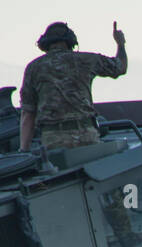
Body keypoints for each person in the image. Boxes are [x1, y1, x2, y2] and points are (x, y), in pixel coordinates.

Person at [19, 21, 127, 152]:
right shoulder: (87, 60)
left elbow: (28, 113)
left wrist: (24, 149)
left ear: (45, 44)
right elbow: (120, 67)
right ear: (71, 41)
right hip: (87, 134)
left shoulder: (34, 68)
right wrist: (120, 43)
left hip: (54, 138)